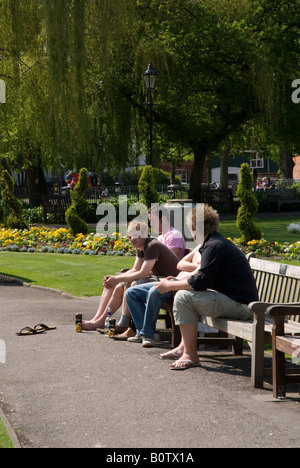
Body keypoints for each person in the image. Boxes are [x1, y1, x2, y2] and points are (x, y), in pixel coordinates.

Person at [155, 204, 258, 370]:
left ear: (196, 227)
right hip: (233, 300)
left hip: (242, 306)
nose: (191, 232)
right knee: (183, 294)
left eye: (191, 228)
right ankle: (184, 347)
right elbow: (201, 276)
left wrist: (169, 286)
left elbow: (201, 281)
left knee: (183, 297)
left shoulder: (214, 246)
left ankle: (190, 355)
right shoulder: (213, 242)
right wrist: (174, 282)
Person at [82, 220, 180, 331]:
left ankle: (127, 325)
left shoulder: (152, 245)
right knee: (119, 286)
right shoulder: (141, 247)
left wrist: (118, 278)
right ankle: (100, 320)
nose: (132, 240)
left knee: (132, 283)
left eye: (135, 236)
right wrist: (114, 279)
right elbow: (135, 269)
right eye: (129, 237)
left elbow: (143, 273)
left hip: (172, 282)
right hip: (160, 279)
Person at [125, 240, 201, 347]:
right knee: (131, 292)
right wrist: (194, 266)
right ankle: (141, 332)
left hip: (180, 286)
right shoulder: (199, 247)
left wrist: (189, 269)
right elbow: (180, 264)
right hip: (174, 279)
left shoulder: (210, 249)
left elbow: (199, 271)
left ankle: (148, 335)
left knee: (154, 291)